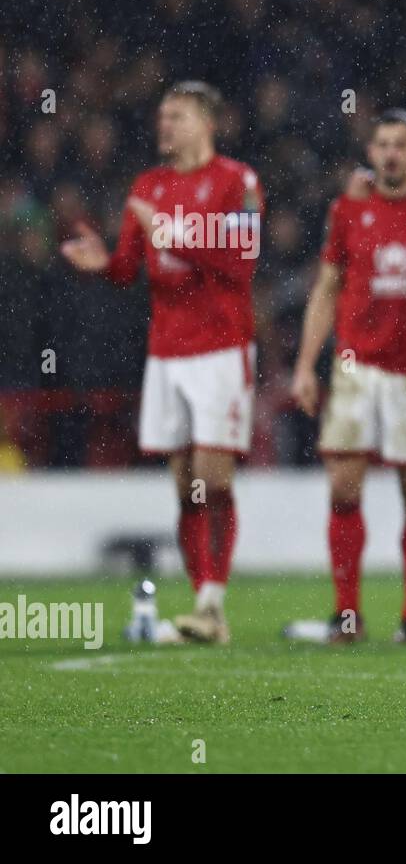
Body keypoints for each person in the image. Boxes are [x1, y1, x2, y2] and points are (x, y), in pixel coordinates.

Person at [61, 81, 263, 644]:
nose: (165, 126)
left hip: (221, 349)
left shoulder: (236, 182)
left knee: (214, 480)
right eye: (162, 117)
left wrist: (171, 231)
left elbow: (241, 262)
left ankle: (213, 603)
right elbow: (131, 267)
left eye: (177, 116)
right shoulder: (147, 186)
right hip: (166, 355)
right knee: (184, 487)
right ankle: (203, 610)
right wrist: (105, 262)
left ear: (208, 122)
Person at [285, 109, 406, 644]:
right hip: (355, 366)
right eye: (382, 144)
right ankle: (347, 616)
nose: (389, 154)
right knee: (343, 487)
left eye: (401, 145)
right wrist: (306, 364)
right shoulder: (348, 209)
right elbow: (326, 287)